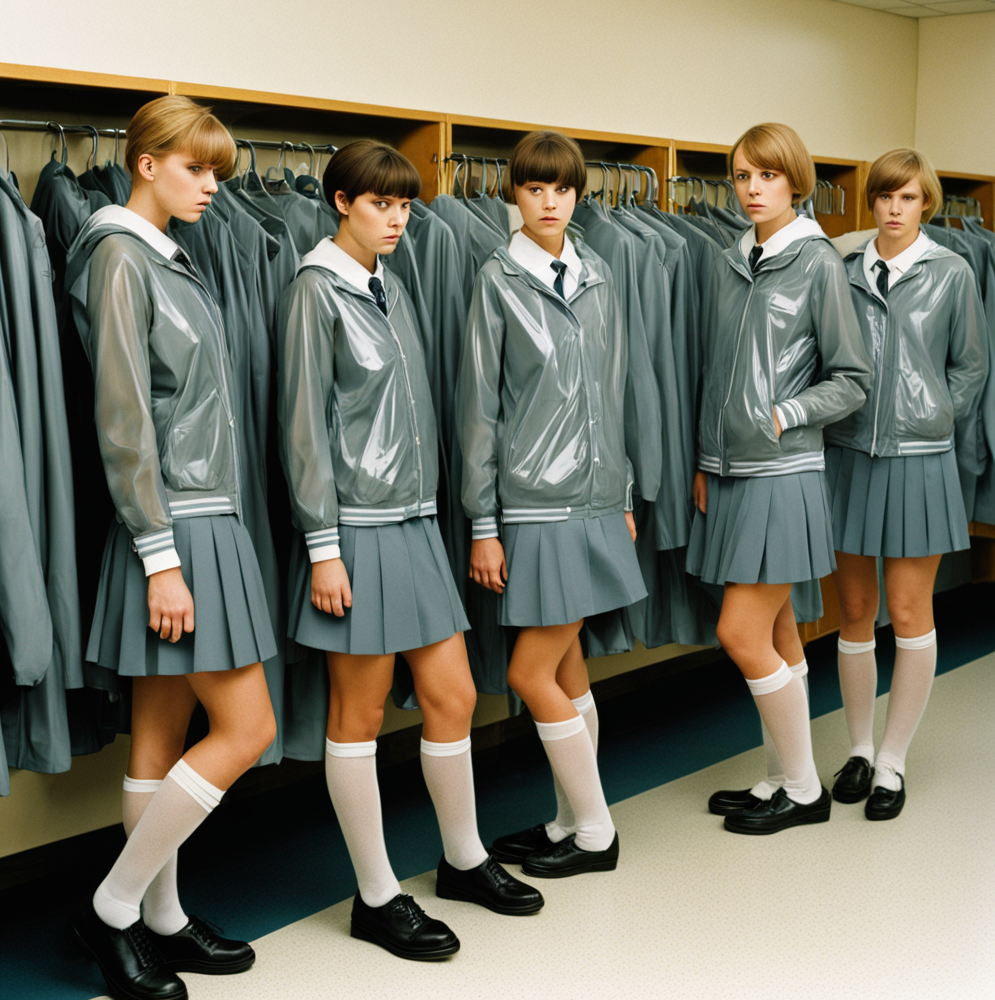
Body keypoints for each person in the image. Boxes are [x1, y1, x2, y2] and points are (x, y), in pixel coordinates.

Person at [277, 139, 541, 962]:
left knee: (453, 696)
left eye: (403, 206)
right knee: (356, 716)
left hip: (416, 525)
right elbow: (303, 430)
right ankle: (376, 894)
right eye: (379, 204)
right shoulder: (314, 290)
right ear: (342, 204)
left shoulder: (386, 283)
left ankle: (462, 858)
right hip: (353, 530)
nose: (395, 219)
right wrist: (324, 548)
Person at [64, 96, 278, 1000]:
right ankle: (110, 911)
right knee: (247, 727)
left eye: (219, 171)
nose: (212, 186)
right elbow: (124, 422)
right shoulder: (118, 257)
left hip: (201, 516)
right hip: (175, 525)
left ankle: (161, 918)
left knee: (159, 734)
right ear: (146, 162)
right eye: (197, 168)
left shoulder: (168, 259)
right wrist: (161, 558)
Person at [456, 130, 648, 877]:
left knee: (553, 672)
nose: (549, 202)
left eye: (562, 189)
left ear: (578, 195)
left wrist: (624, 488)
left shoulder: (600, 271)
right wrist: (483, 524)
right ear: (516, 194)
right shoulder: (496, 278)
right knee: (550, 671)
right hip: (534, 505)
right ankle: (582, 822)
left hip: (598, 500)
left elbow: (615, 390)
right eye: (535, 188)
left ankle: (588, 828)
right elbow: (479, 411)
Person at [689, 122, 872, 835]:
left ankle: (804, 791)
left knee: (740, 631)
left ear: (794, 180)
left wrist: (784, 413)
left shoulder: (817, 262)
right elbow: (715, 374)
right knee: (783, 632)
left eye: (766, 175)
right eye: (741, 176)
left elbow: (852, 379)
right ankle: (779, 777)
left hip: (782, 469)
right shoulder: (731, 259)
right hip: (731, 472)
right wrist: (709, 460)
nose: (752, 189)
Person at [824, 148, 988, 819]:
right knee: (855, 609)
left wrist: (935, 414)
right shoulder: (840, 267)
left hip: (922, 458)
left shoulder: (952, 273)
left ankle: (893, 761)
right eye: (885, 197)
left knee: (911, 609)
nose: (894, 209)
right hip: (850, 455)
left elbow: (971, 368)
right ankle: (859, 750)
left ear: (928, 204)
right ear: (873, 202)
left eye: (908, 198)